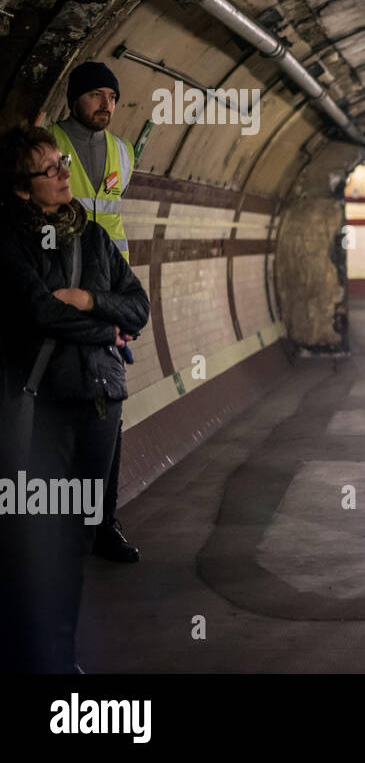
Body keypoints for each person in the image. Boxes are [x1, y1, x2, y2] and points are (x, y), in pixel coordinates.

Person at [0, 125, 150, 672]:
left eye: (63, 163)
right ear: (22, 189)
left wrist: (89, 299)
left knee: (75, 542)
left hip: (101, 401)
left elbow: (138, 309)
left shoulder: (92, 238)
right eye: (50, 169)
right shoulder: (12, 241)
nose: (65, 174)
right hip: (45, 405)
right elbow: (38, 312)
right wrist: (105, 331)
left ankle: (58, 657)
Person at [49, 61, 140, 563]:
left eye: (112, 95)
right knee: (57, 408)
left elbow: (114, 223)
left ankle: (103, 522)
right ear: (74, 98)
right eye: (95, 95)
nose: (105, 103)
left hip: (108, 302)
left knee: (111, 408)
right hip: (57, 298)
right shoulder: (46, 144)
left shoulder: (122, 153)